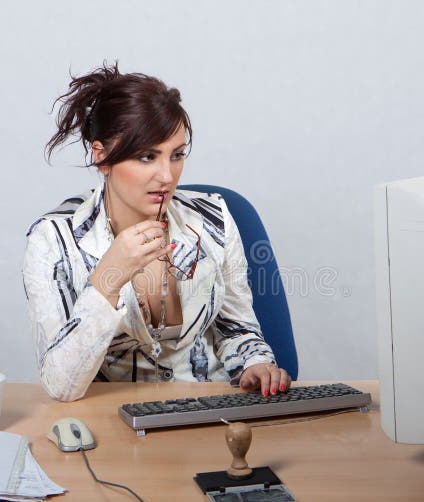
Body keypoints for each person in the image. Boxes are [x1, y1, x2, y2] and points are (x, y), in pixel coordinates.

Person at [23, 63, 292, 402]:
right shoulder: (53, 240)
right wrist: (108, 278)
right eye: (147, 156)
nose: (167, 176)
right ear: (102, 157)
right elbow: (61, 385)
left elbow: (237, 329)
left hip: (212, 414)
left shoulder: (213, 218)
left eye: (177, 155)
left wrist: (256, 364)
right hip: (115, 427)